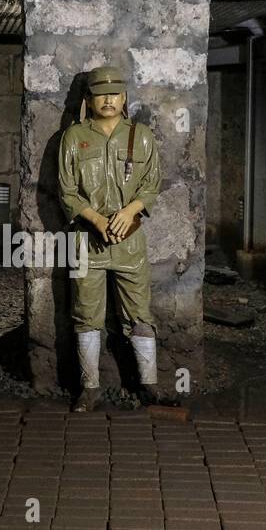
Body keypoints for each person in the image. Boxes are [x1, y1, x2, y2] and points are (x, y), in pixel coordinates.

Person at [57, 64, 179, 412]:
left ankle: (149, 385)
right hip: (86, 241)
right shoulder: (73, 138)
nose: (107, 100)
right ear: (89, 99)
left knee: (139, 313)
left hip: (130, 241)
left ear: (124, 97)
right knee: (85, 313)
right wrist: (96, 219)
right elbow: (67, 192)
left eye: (114, 94)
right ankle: (89, 388)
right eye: (99, 94)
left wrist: (130, 212)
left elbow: (152, 183)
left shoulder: (141, 136)